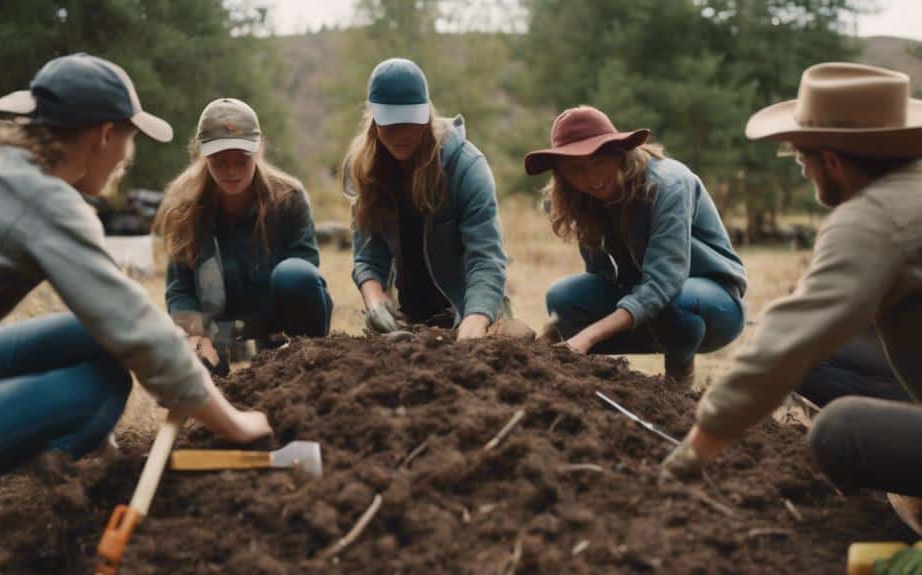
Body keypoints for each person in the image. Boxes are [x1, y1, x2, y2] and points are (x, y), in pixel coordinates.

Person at [0, 53, 272, 505]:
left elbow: (120, 323)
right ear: (106, 135)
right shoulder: (45, 201)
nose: (126, 157)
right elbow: (137, 330)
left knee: (93, 338)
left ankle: (20, 447)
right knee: (97, 389)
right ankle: (12, 501)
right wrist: (236, 424)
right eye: (129, 139)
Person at [661, 62, 922, 534]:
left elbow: (788, 341)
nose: (803, 171)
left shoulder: (875, 216)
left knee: (841, 433)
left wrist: (697, 447)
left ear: (832, 161)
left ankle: (897, 538)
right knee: (829, 354)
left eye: (802, 159)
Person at [525, 106, 747, 386]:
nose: (591, 178)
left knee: (671, 300)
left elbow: (663, 283)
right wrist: (555, 334)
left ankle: (678, 381)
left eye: (598, 161)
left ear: (619, 152)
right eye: (575, 169)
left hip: (713, 306)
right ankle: (596, 379)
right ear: (561, 174)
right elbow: (601, 276)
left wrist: (588, 336)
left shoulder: (668, 184)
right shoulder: (581, 199)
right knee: (562, 298)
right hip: (650, 302)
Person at [155, 98, 331, 374]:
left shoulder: (289, 198)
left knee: (295, 274)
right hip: (215, 326)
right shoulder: (184, 206)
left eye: (241, 160)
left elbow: (304, 275)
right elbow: (180, 291)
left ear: (258, 150)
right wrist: (196, 335)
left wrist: (281, 340)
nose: (232, 172)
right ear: (202, 154)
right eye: (220, 162)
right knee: (181, 367)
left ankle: (305, 361)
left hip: (277, 320)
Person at [343, 57, 512, 340]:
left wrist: (475, 320)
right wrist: (375, 302)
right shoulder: (365, 170)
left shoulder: (466, 167)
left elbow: (486, 258)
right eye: (390, 123)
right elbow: (368, 257)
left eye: (411, 121)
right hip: (409, 316)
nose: (401, 134)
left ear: (427, 114)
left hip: (470, 310)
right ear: (373, 119)